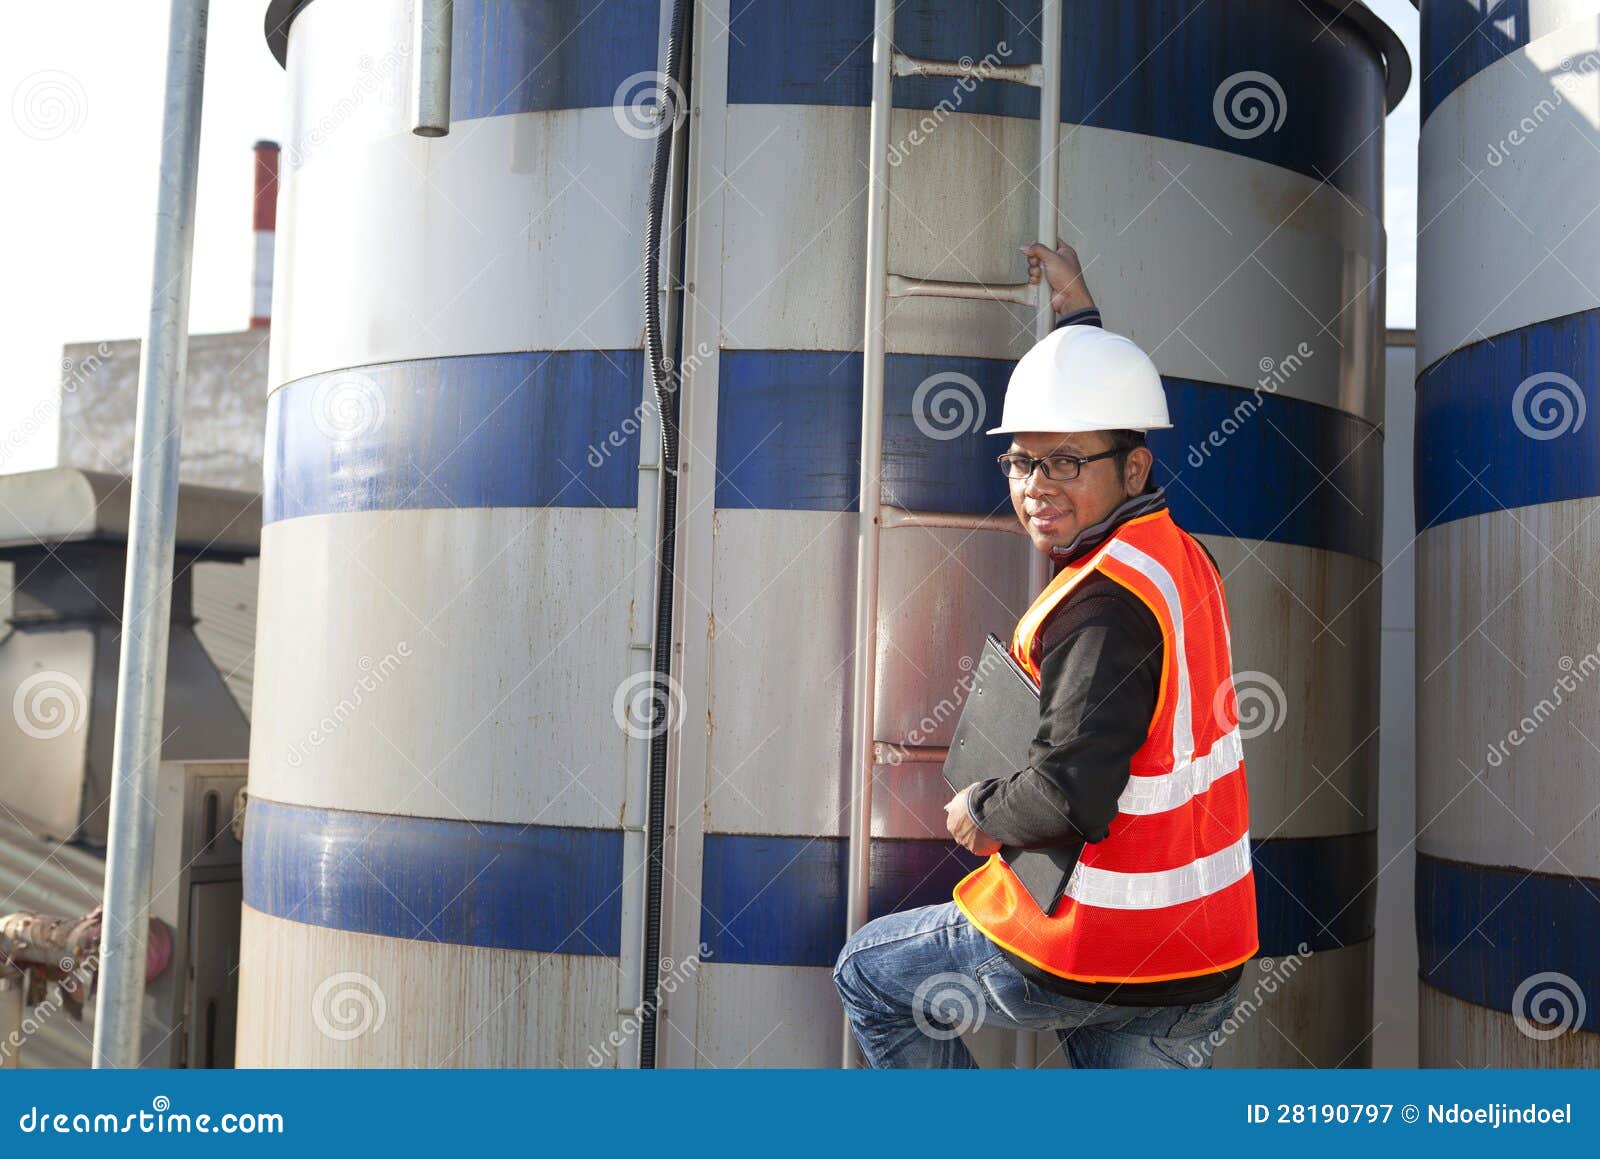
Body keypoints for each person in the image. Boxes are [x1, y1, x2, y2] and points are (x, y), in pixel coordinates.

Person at [833, 242, 1257, 1068]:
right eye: (1022, 460)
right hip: (1202, 954)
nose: (1036, 484)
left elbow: (1067, 794)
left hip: (1096, 943)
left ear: (1134, 467)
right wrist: (1077, 315)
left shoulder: (1102, 606)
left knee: (870, 977)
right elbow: (1094, 414)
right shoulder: (1176, 558)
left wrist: (984, 811)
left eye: (1064, 463)